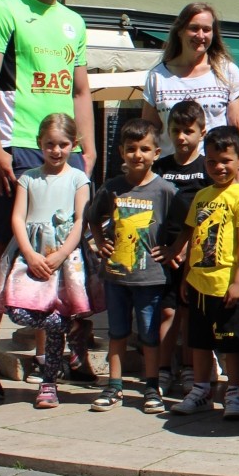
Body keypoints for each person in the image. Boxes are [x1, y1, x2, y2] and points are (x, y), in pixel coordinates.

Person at [0, 0, 94, 402]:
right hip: (17, 148)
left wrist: (88, 149)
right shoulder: (4, 10)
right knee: (2, 249)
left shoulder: (74, 23)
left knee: (62, 251)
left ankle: (51, 362)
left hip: (65, 151)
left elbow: (81, 91)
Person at [2, 113, 92, 410]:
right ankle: (73, 328)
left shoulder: (78, 178)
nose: (56, 150)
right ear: (39, 143)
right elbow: (17, 216)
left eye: (63, 144)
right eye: (50, 144)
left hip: (64, 257)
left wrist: (63, 253)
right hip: (32, 254)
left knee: (54, 325)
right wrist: (28, 253)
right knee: (17, 309)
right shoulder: (28, 178)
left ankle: (48, 383)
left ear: (74, 145)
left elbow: (81, 220)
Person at [167, 126, 239, 419]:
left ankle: (233, 392)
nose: (219, 167)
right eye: (212, 161)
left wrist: (238, 281)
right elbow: (192, 234)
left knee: (231, 343)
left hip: (227, 285)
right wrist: (185, 276)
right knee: (200, 341)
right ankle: (202, 389)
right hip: (198, 284)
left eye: (225, 161)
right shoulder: (202, 196)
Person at [87, 118, 176, 414]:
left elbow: (185, 224)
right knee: (117, 332)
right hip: (116, 275)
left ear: (156, 153)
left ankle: (152, 386)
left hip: (150, 277)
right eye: (131, 149)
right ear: (121, 152)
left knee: (149, 334)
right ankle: (114, 385)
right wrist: (101, 242)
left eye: (145, 149)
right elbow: (92, 218)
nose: (138, 155)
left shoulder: (165, 190)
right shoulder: (112, 187)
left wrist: (174, 250)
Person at [152, 99, 209, 398]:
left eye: (189, 130)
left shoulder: (207, 169)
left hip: (197, 255)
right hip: (165, 254)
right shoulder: (159, 167)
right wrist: (166, 248)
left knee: (190, 315)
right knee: (167, 312)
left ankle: (189, 369)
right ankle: (163, 370)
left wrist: (186, 248)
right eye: (176, 130)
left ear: (202, 132)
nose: (182, 137)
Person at [141, 2, 239, 160]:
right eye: (194, 28)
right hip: (169, 173)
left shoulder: (227, 72)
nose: (201, 35)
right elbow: (149, 132)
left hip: (214, 172)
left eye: (207, 29)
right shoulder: (158, 76)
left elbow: (238, 131)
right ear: (180, 31)